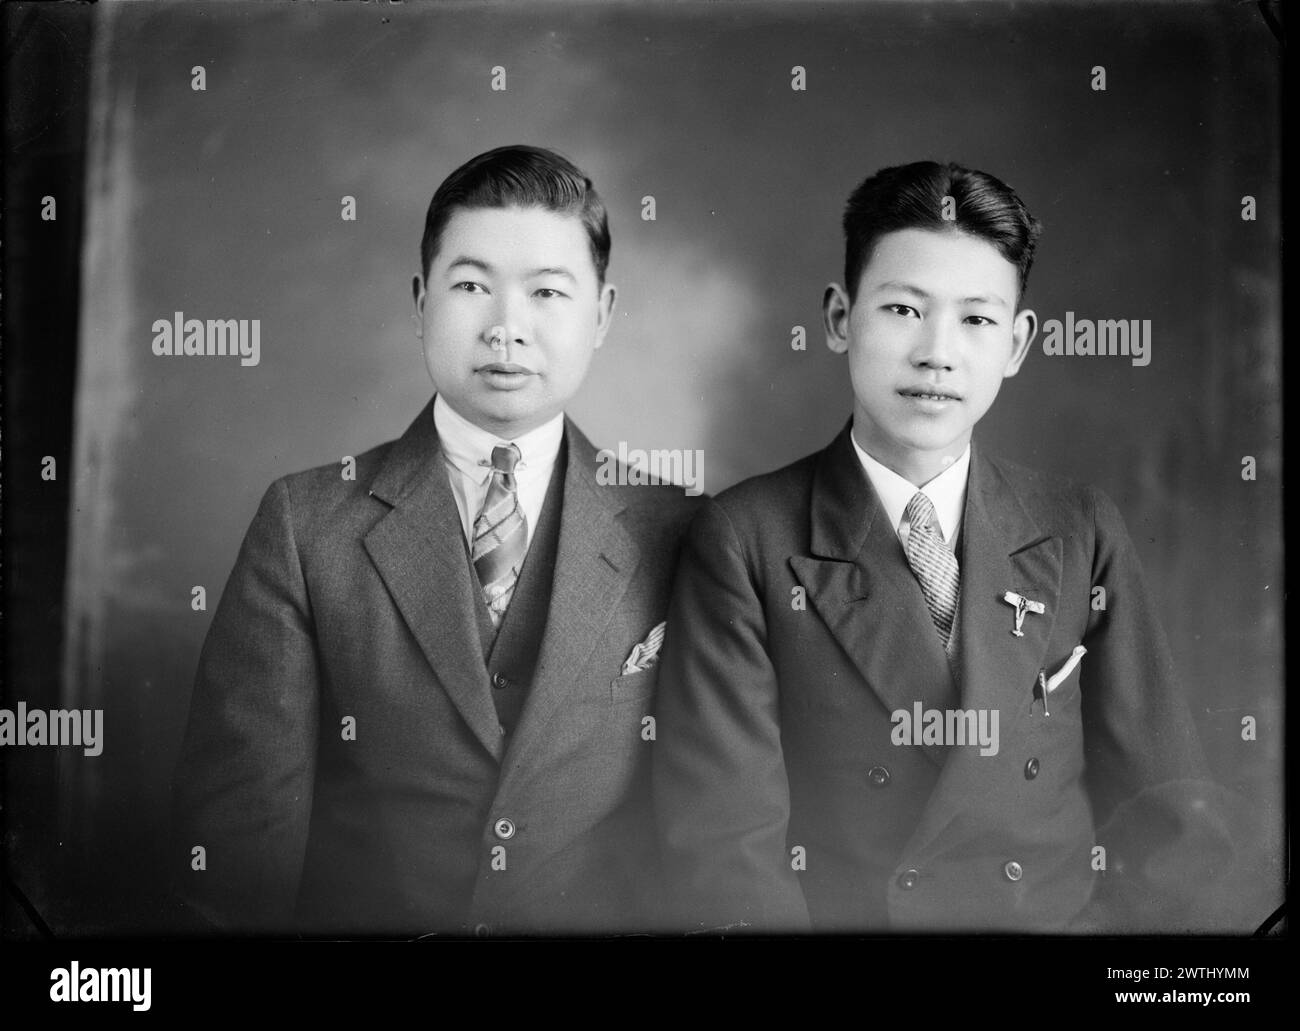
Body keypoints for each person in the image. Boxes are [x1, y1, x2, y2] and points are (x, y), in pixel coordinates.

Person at [652, 160, 1234, 933]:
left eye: (977, 319)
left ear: (1019, 342)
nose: (937, 352)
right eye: (901, 308)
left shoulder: (1078, 526)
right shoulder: (746, 538)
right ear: (838, 317)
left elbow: (1169, 809)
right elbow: (726, 847)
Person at [171, 144, 700, 936]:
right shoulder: (306, 522)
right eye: (471, 286)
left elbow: (706, 829)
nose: (506, 328)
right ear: (421, 301)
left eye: (548, 291)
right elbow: (241, 849)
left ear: (603, 313)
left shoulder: (681, 528)